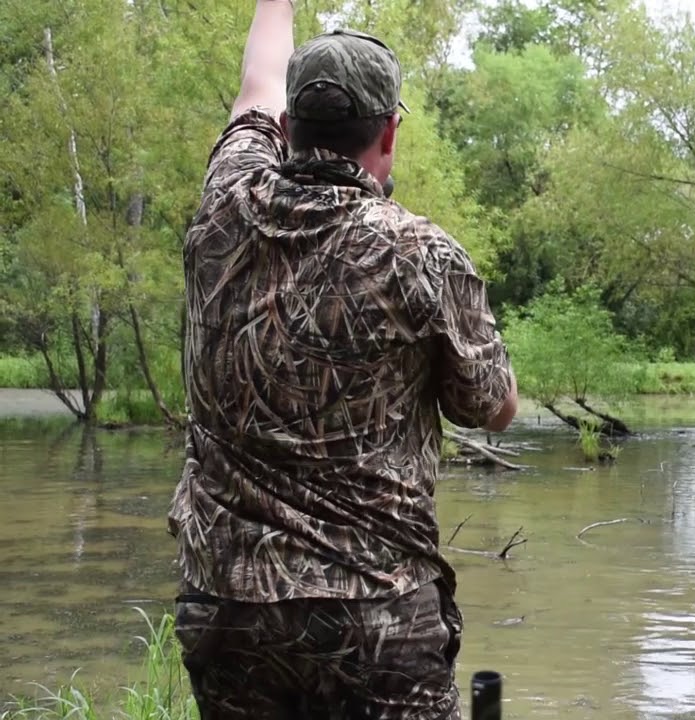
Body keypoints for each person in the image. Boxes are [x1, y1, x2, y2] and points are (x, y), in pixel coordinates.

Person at [166, 2, 518, 718]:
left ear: (288, 130)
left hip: (229, 611)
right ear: (389, 132)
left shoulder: (223, 208)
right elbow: (495, 408)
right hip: (377, 615)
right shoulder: (420, 254)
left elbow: (257, 82)